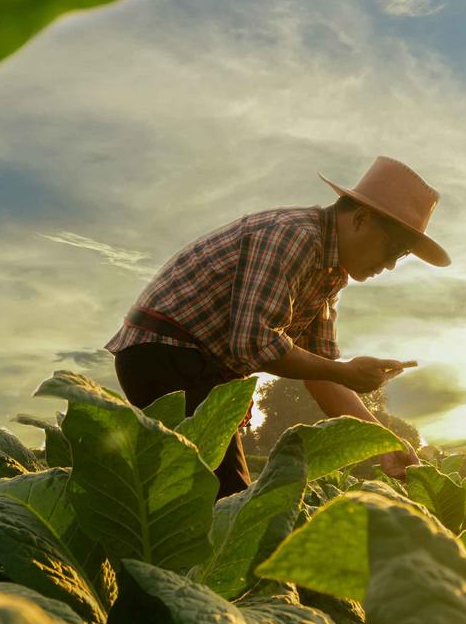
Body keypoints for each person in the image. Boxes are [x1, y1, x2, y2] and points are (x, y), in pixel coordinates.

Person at [104, 156, 448, 495]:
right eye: (393, 249)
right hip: (165, 352)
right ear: (360, 219)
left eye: (400, 256)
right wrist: (344, 372)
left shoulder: (329, 273)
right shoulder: (295, 236)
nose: (390, 265)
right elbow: (255, 344)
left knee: (206, 497)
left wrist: (385, 442)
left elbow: (322, 375)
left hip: (196, 367)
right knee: (226, 501)